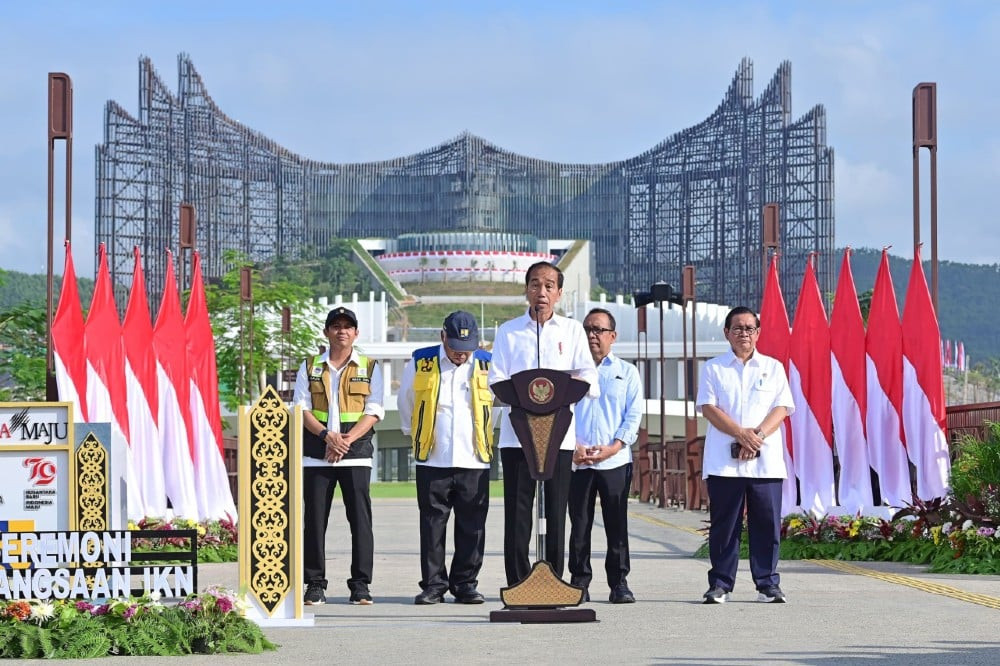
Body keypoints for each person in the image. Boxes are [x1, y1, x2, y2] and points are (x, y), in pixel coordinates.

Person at [488, 261, 599, 585]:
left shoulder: (572, 330)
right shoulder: (509, 331)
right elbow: (496, 381)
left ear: (559, 293)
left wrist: (562, 389)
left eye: (549, 285)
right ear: (526, 290)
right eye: (535, 284)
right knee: (518, 513)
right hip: (518, 437)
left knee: (556, 511)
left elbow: (589, 378)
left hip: (559, 437)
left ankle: (553, 582)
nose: (542, 291)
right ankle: (518, 583)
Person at [696, 306, 794, 604]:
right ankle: (720, 584)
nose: (744, 334)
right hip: (724, 464)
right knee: (725, 526)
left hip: (765, 462)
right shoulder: (713, 368)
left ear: (758, 333)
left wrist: (757, 437)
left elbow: (782, 408)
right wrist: (741, 435)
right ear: (727, 332)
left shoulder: (773, 367)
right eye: (737, 328)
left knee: (766, 524)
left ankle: (768, 584)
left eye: (750, 328)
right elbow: (709, 408)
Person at [398, 311, 495, 605]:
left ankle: (465, 583)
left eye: (467, 349)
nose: (461, 355)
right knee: (432, 525)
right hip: (433, 457)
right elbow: (406, 401)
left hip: (473, 457)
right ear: (443, 337)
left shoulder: (486, 363)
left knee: (472, 525)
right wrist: (415, 433)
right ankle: (433, 585)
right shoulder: (421, 361)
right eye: (455, 349)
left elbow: (496, 406)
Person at [293, 306, 384, 606]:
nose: (341, 331)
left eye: (347, 326)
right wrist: (327, 436)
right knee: (315, 520)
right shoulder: (309, 366)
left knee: (360, 521)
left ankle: (361, 585)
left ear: (356, 333)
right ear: (326, 332)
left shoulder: (369, 367)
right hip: (317, 455)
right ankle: (314, 584)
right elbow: (301, 408)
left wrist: (346, 440)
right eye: (336, 326)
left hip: (355, 454)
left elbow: (374, 410)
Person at [569, 308, 643, 604]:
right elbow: (563, 412)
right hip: (578, 461)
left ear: (613, 336)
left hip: (614, 460)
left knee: (616, 523)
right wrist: (573, 446)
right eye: (587, 329)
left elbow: (633, 415)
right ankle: (579, 582)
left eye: (598, 330)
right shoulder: (571, 372)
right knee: (579, 524)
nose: (592, 335)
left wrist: (614, 446)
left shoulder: (627, 372)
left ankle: (619, 583)